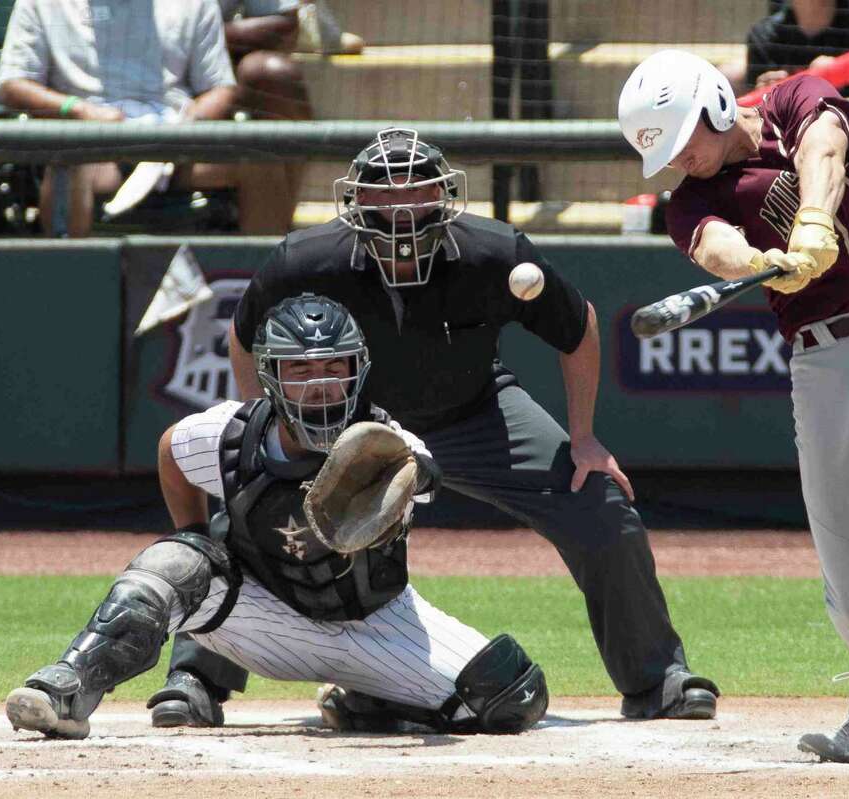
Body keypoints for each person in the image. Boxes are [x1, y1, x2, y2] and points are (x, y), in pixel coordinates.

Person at [149, 127, 720, 731]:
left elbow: (579, 326)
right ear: (357, 203)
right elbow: (245, 334)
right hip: (346, 428)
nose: (401, 208)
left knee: (600, 505)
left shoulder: (496, 253)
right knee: (249, 515)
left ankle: (656, 680)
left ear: (445, 196)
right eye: (384, 197)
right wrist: (265, 429)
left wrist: (584, 440)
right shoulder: (305, 259)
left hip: (474, 413)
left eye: (416, 193)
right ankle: (194, 676)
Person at [618, 51, 849, 762]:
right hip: (822, 362)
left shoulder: (789, 102)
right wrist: (754, 260)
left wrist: (813, 221)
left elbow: (825, 144)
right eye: (668, 150)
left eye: (687, 136)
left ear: (716, 103)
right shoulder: (691, 199)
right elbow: (711, 245)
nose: (683, 158)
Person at [5, 293, 548, 739]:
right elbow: (171, 451)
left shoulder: (385, 442)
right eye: (300, 370)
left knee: (512, 695)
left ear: (359, 370)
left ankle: (369, 701)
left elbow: (419, 467)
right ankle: (69, 687)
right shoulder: (228, 434)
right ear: (270, 375)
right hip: (258, 616)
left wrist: (416, 473)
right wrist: (197, 539)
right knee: (177, 562)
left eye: (334, 367)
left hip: (378, 624)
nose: (319, 384)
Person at [0, 0, 280, 236]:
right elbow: (12, 84)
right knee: (68, 161)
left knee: (259, 157)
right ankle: (73, 281)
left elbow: (220, 86)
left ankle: (265, 287)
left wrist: (190, 121)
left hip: (176, 144)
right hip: (93, 145)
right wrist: (78, 110)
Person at [219, 0, 312, 234]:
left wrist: (201, 33)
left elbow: (285, 25)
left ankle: (278, 234)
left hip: (214, 66)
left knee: (274, 75)